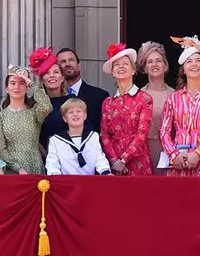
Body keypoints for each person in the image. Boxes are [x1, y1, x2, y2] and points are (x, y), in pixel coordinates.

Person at [161, 37, 200, 178]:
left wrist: (198, 154)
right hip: (178, 159)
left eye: (198, 60)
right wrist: (174, 154)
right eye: (189, 61)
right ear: (183, 70)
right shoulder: (173, 98)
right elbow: (164, 131)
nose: (194, 64)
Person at [100, 43, 153, 176]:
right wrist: (114, 160)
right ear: (112, 72)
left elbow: (142, 134)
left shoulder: (144, 98)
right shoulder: (107, 102)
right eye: (117, 65)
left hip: (138, 159)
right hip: (114, 162)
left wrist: (123, 159)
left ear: (133, 70)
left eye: (125, 63)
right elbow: (104, 135)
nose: (121, 67)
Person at [0, 65, 52, 175]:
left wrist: (30, 82)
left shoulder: (34, 112)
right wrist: (17, 168)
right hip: (11, 169)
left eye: (21, 83)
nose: (16, 87)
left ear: (27, 88)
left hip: (34, 165)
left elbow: (47, 106)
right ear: (7, 89)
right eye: (13, 83)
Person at [46, 98, 112, 176]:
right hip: (67, 183)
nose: (75, 114)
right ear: (64, 118)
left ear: (85, 116)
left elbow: (99, 158)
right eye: (70, 112)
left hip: (89, 182)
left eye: (78, 111)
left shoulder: (93, 137)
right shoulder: (56, 141)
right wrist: (56, 177)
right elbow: (52, 164)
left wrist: (105, 172)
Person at [138, 41, 173, 171]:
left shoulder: (175, 95)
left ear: (165, 66)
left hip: (170, 151)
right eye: (150, 61)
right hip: (144, 152)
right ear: (145, 68)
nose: (154, 64)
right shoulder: (138, 96)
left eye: (158, 60)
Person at [56, 48, 108, 129]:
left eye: (71, 60)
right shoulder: (51, 99)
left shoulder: (100, 96)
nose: (67, 64)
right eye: (62, 61)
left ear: (79, 66)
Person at [32, 47, 71, 150]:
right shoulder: (34, 103)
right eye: (47, 73)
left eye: (56, 72)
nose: (52, 76)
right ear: (42, 80)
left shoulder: (72, 101)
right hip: (42, 157)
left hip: (68, 156)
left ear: (62, 78)